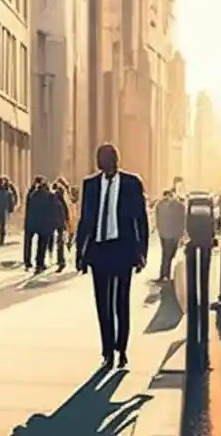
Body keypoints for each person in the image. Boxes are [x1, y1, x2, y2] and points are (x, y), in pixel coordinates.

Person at [76, 143, 149, 370]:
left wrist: (141, 252)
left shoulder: (131, 184)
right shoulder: (90, 185)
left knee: (121, 301)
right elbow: (85, 221)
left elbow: (141, 220)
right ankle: (107, 350)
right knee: (102, 303)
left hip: (123, 249)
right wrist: (80, 253)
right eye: (99, 158)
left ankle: (122, 348)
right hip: (99, 251)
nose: (101, 163)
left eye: (105, 158)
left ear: (115, 160)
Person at [23, 176, 54, 272]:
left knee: (28, 243)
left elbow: (27, 206)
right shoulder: (49, 195)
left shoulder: (31, 194)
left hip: (31, 222)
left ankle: (27, 261)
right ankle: (40, 263)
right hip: (44, 223)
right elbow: (52, 210)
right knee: (42, 244)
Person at [154, 189, 186, 282]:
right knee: (167, 255)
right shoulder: (178, 205)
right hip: (170, 234)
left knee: (167, 254)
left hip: (167, 234)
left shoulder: (160, 205)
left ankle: (165, 274)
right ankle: (164, 275)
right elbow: (183, 219)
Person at [49, 179, 72, 272]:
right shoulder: (62, 197)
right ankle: (60, 260)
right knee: (60, 242)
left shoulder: (54, 197)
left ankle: (60, 260)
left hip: (56, 221)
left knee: (58, 241)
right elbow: (66, 210)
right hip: (60, 222)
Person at [0, 176, 18, 246]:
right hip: (0, 210)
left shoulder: (5, 192)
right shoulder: (5, 192)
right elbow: (12, 201)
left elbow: (12, 201)